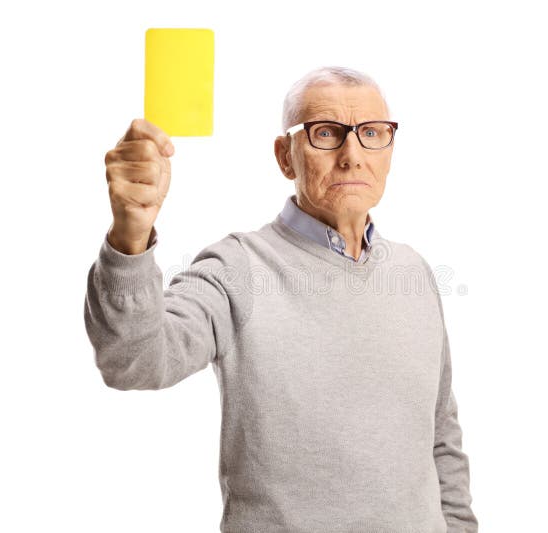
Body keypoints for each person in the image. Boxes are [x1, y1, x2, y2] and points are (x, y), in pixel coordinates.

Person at [84, 65, 478, 533]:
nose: (352, 155)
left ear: (390, 149)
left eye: (372, 133)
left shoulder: (413, 272)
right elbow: (133, 360)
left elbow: (441, 433)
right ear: (285, 156)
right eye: (326, 133)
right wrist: (131, 233)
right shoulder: (238, 268)